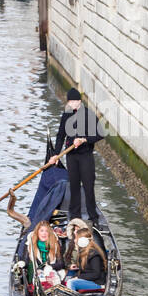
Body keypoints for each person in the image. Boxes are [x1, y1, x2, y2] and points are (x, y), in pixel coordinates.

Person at [47, 87, 100, 227]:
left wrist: (84, 140)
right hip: (71, 156)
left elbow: (100, 134)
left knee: (88, 186)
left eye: (73, 102)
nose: (71, 105)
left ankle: (93, 218)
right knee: (74, 186)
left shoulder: (89, 115)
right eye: (69, 102)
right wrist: (56, 154)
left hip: (85, 156)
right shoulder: (67, 115)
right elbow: (60, 136)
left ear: (79, 101)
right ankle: (74, 216)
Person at [63, 219, 107, 291]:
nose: (75, 240)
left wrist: (78, 277)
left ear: (82, 240)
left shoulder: (94, 254)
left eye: (77, 238)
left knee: (71, 283)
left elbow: (96, 274)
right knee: (68, 280)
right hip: (88, 280)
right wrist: (76, 276)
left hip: (97, 283)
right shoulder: (82, 251)